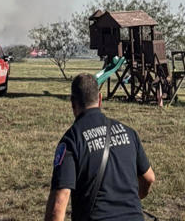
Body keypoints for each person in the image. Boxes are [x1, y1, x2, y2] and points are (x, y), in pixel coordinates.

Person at [44, 73, 156, 221]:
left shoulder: (71, 140)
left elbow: (58, 205)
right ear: (100, 99)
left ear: (72, 102)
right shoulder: (129, 132)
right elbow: (149, 178)